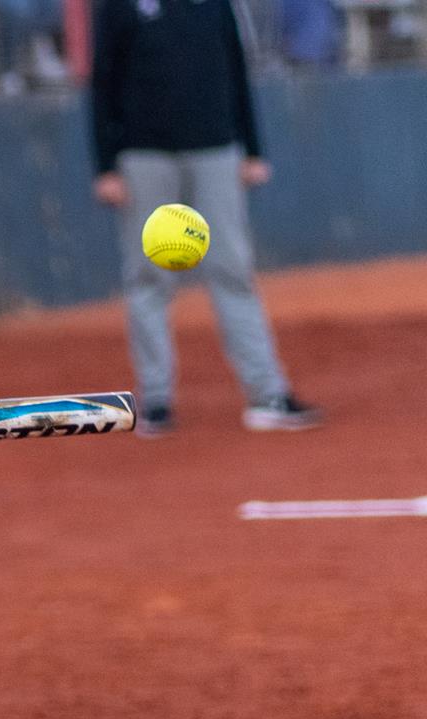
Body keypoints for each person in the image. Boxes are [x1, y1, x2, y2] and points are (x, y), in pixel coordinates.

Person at [91, 0, 321, 435]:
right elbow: (103, 79)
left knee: (233, 269)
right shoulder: (119, 5)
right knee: (147, 277)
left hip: (216, 147)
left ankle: (268, 393)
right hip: (144, 153)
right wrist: (105, 165)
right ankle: (155, 400)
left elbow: (235, 68)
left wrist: (251, 148)